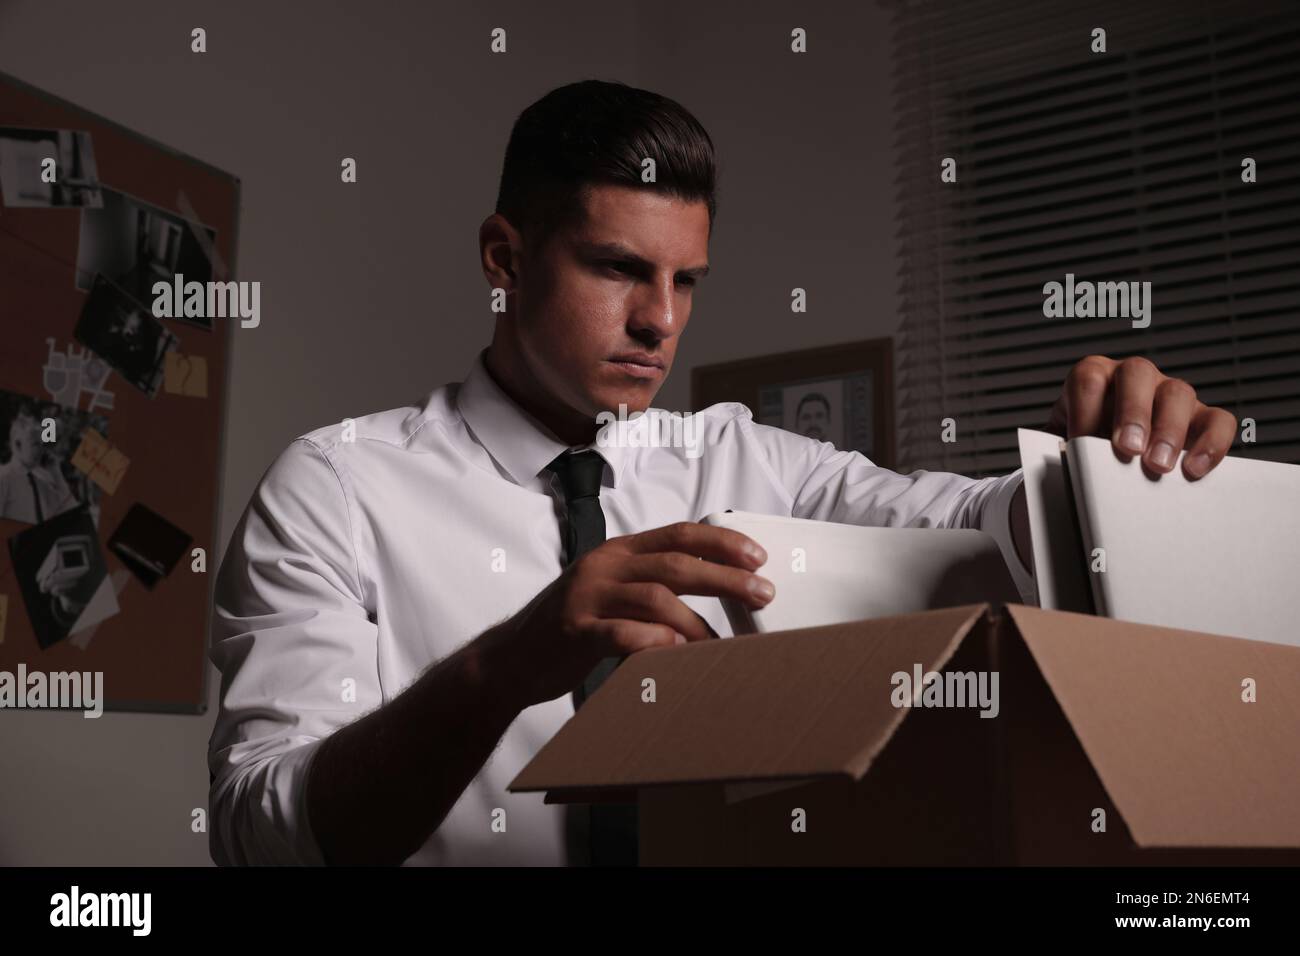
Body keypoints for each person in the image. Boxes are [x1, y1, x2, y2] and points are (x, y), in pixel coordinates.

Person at [206, 79, 1238, 867]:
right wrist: (504, 665)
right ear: (503, 258)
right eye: (617, 268)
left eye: (684, 279)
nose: (660, 318)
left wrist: (1089, 473)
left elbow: (967, 525)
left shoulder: (746, 459)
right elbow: (261, 832)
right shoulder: (334, 488)